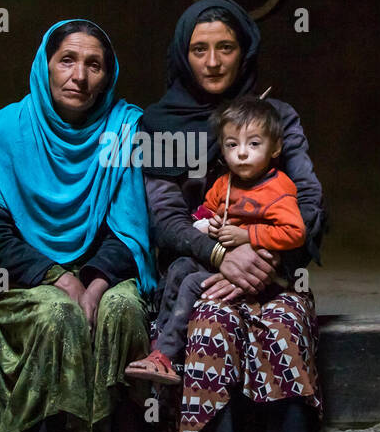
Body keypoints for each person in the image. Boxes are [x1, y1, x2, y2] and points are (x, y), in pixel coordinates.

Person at [139, 0, 331, 432]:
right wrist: (222, 253)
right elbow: (166, 219)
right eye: (200, 49)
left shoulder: (276, 116)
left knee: (288, 328)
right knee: (210, 331)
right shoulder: (162, 124)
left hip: (271, 271)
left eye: (226, 47)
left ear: (244, 49)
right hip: (198, 270)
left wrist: (261, 256)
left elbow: (310, 202)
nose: (214, 61)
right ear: (182, 53)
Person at [0, 19, 162, 432]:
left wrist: (94, 283)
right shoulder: (5, 131)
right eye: (67, 60)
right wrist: (60, 277)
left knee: (122, 313)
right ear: (44, 65)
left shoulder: (126, 129)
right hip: (30, 279)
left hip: (109, 273)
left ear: (109, 74)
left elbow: (132, 228)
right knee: (57, 317)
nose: (79, 75)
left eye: (94, 64)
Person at [125, 95, 305, 385]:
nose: (242, 154)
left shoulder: (278, 188)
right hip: (220, 260)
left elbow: (295, 232)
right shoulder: (226, 182)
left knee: (190, 283)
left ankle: (167, 355)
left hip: (256, 270)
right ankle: (161, 337)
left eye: (254, 144)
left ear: (276, 148)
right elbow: (207, 209)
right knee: (181, 266)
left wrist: (248, 235)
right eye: (233, 145)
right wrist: (203, 224)